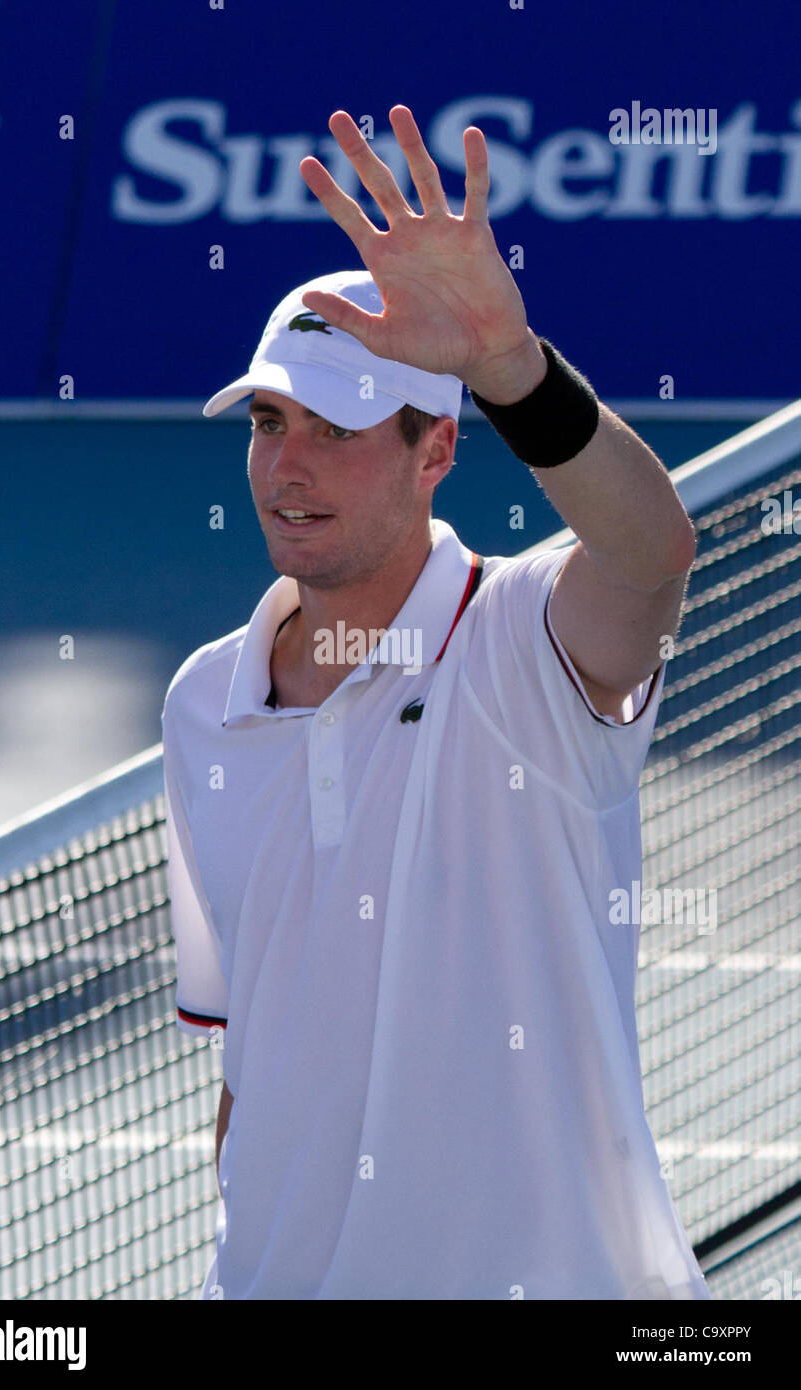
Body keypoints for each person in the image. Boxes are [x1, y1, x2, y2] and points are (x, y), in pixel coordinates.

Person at [161, 105, 709, 1299]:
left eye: (337, 428)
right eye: (267, 422)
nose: (285, 463)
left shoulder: (524, 642)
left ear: (434, 452)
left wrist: (512, 368)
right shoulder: (202, 704)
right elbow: (248, 1064)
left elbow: (649, 556)